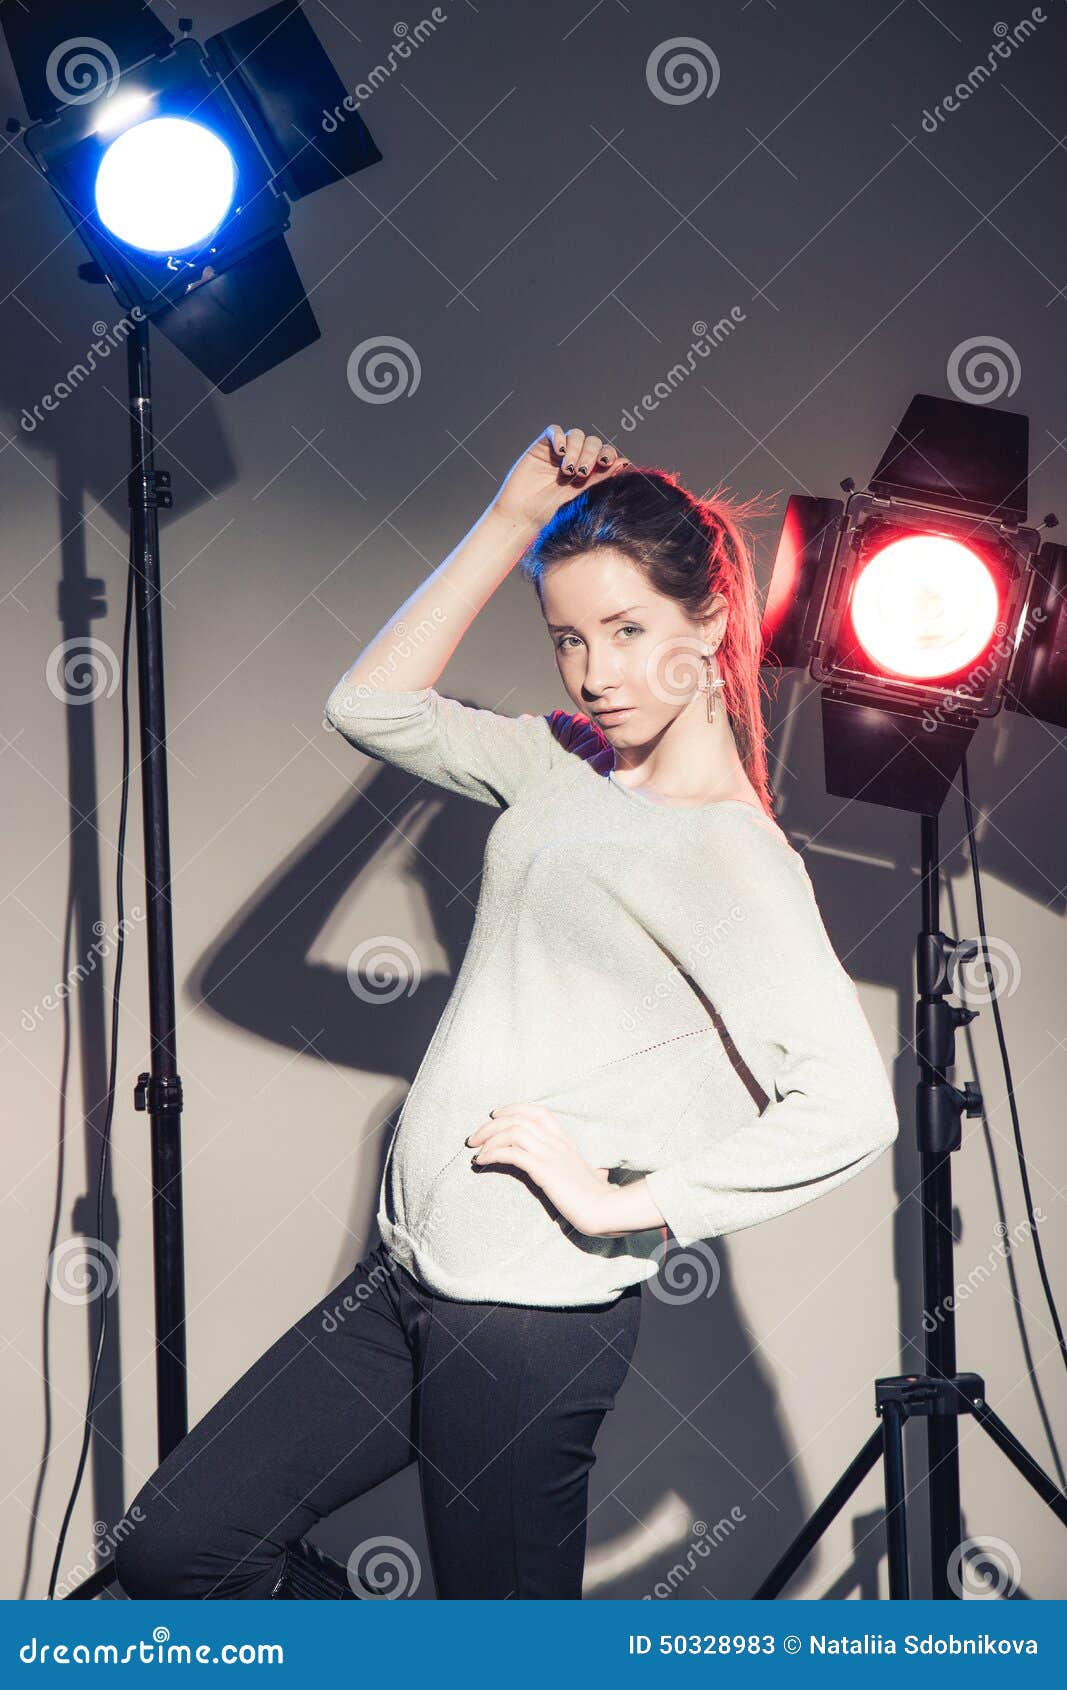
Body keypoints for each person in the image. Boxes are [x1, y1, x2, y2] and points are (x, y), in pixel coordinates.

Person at [115, 425, 898, 1602]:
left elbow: (847, 1102)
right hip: (412, 1282)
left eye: (629, 632)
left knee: (508, 1649)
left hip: (526, 1324)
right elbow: (370, 706)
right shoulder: (562, 760)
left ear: (711, 622)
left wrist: (625, 1202)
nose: (594, 673)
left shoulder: (729, 857)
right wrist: (503, 527)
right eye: (569, 638)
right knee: (179, 1545)